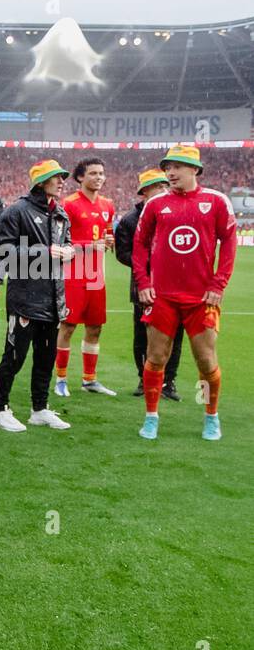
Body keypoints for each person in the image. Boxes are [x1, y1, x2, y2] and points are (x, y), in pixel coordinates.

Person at [132, 143, 236, 442]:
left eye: (177, 166)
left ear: (194, 169)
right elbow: (139, 244)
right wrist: (144, 281)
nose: (170, 172)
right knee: (156, 356)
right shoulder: (155, 204)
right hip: (162, 296)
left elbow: (229, 242)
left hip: (201, 297)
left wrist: (218, 284)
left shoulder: (216, 201)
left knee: (205, 360)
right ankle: (151, 417)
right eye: (167, 167)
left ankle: (210, 415)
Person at [0, 160, 74, 433]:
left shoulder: (61, 214)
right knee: (14, 357)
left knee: (46, 358)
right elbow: (3, 253)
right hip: (24, 298)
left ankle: (40, 409)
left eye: (63, 177)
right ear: (40, 182)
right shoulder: (16, 211)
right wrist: (45, 252)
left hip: (52, 300)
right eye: (56, 178)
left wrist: (69, 251)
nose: (62, 182)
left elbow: (66, 244)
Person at [114, 168, 181, 397]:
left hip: (174, 285)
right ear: (144, 191)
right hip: (143, 286)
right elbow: (122, 254)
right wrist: (150, 263)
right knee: (142, 334)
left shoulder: (174, 212)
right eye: (158, 186)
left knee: (175, 334)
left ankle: (168, 382)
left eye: (165, 185)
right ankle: (144, 380)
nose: (164, 189)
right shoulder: (129, 221)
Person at [56, 158, 116, 396]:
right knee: (68, 326)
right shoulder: (68, 204)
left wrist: (109, 241)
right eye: (93, 173)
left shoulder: (108, 205)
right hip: (73, 274)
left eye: (101, 173)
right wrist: (92, 245)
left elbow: (107, 235)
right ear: (80, 177)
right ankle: (60, 379)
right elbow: (59, 241)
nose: (98, 177)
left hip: (96, 277)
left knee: (95, 327)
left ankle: (89, 379)